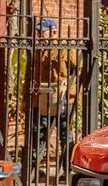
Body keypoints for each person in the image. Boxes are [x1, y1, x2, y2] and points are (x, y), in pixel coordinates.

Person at [28, 19, 79, 175]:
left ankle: (67, 170)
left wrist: (72, 91)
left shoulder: (65, 48)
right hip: (43, 99)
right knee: (40, 133)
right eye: (38, 32)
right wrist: (26, 99)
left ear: (54, 32)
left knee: (65, 134)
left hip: (64, 98)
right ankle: (33, 171)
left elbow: (79, 70)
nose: (39, 35)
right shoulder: (37, 49)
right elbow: (30, 74)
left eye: (41, 31)